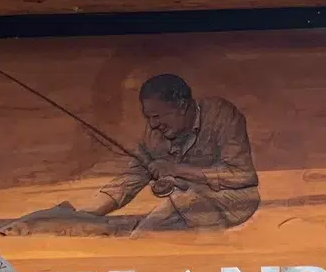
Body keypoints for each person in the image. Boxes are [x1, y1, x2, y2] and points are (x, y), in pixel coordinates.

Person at [83, 74, 260, 232]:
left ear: (182, 106)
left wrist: (175, 169)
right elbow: (129, 180)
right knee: (140, 235)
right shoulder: (154, 134)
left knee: (145, 235)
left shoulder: (222, 115)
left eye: (157, 116)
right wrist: (87, 214)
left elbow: (244, 176)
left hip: (231, 203)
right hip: (183, 202)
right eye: (149, 118)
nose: (152, 125)